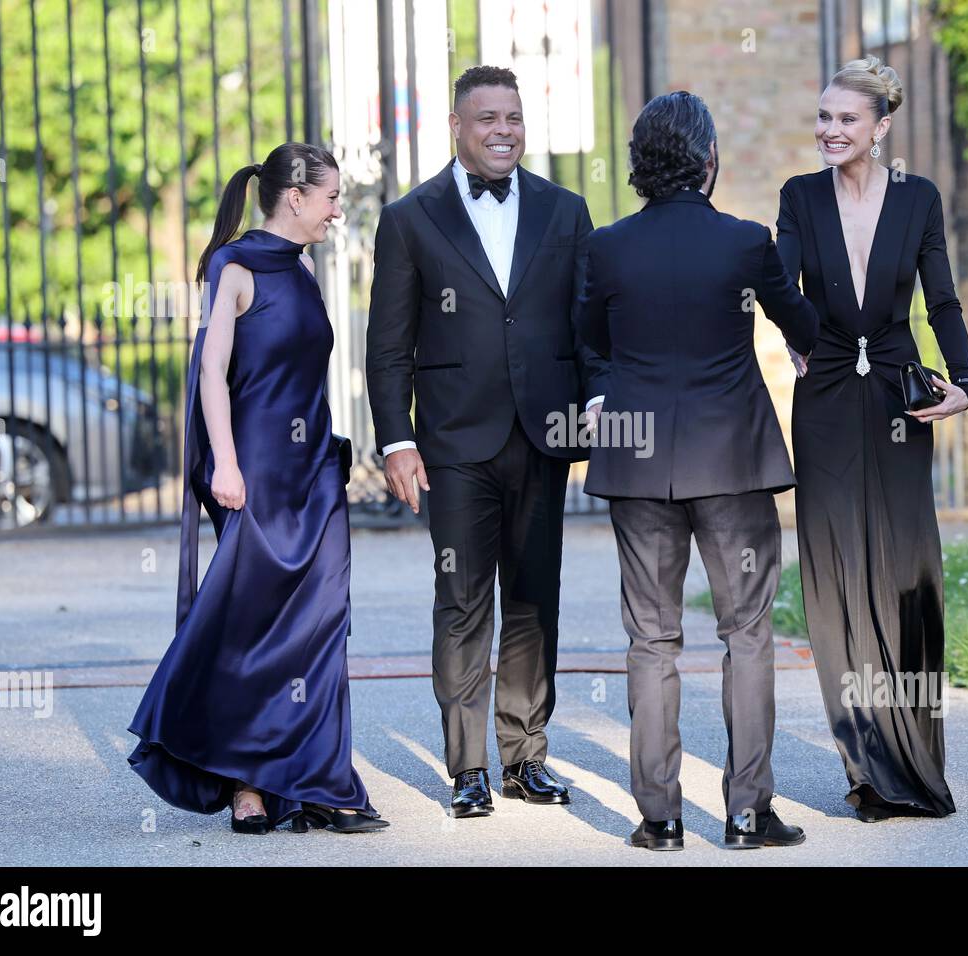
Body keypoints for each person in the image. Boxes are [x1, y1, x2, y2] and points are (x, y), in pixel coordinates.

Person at [576, 92, 820, 851]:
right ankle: (748, 814)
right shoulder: (747, 242)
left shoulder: (607, 247)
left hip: (638, 462)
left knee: (651, 639)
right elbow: (803, 324)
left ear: (640, 165)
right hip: (733, 462)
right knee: (746, 634)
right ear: (709, 160)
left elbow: (589, 343)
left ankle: (660, 819)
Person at [365, 66, 608, 819]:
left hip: (543, 435)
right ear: (457, 126)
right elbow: (387, 346)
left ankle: (526, 755)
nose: (503, 130)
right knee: (462, 602)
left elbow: (589, 321)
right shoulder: (410, 218)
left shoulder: (566, 212)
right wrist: (396, 442)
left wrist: (596, 397)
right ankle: (468, 767)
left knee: (535, 601)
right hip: (453, 444)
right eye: (487, 119)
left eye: (513, 117)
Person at [127, 143, 388, 835]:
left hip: (313, 474)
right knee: (251, 627)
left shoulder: (305, 269)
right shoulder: (233, 265)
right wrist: (227, 465)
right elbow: (212, 371)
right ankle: (246, 783)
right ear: (296, 196)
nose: (338, 210)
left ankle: (318, 781)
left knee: (320, 626)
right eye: (331, 197)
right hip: (257, 472)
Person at [777, 56, 968, 822]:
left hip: (899, 395)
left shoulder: (917, 199)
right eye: (824, 117)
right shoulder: (799, 197)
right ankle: (865, 766)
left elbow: (943, 297)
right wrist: (797, 336)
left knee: (903, 568)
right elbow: (781, 283)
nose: (830, 130)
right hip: (824, 394)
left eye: (846, 119)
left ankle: (915, 759)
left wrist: (964, 383)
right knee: (834, 576)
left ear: (881, 126)